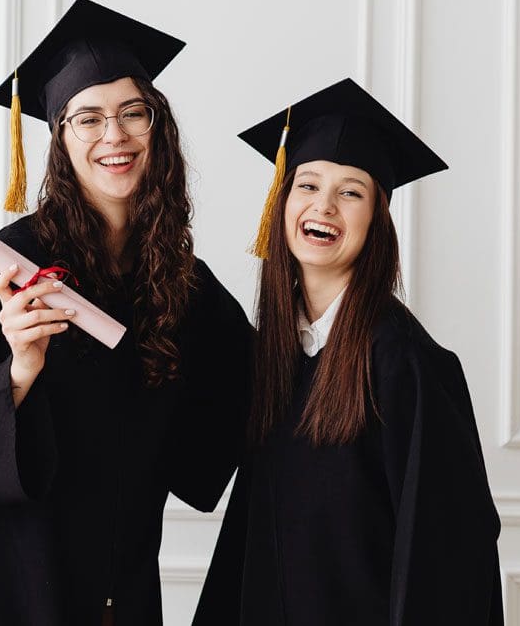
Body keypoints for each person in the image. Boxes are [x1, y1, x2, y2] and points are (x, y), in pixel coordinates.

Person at [0, 0, 252, 625]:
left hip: (122, 591)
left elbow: (246, 395)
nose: (114, 136)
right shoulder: (9, 266)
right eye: (88, 118)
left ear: (158, 128)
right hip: (11, 594)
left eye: (133, 113)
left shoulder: (183, 283)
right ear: (59, 138)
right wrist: (16, 373)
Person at [193, 78, 503, 625]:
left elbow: (450, 551)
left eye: (351, 192)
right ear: (281, 203)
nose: (324, 206)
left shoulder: (405, 360)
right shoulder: (273, 353)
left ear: (377, 219)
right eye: (307, 185)